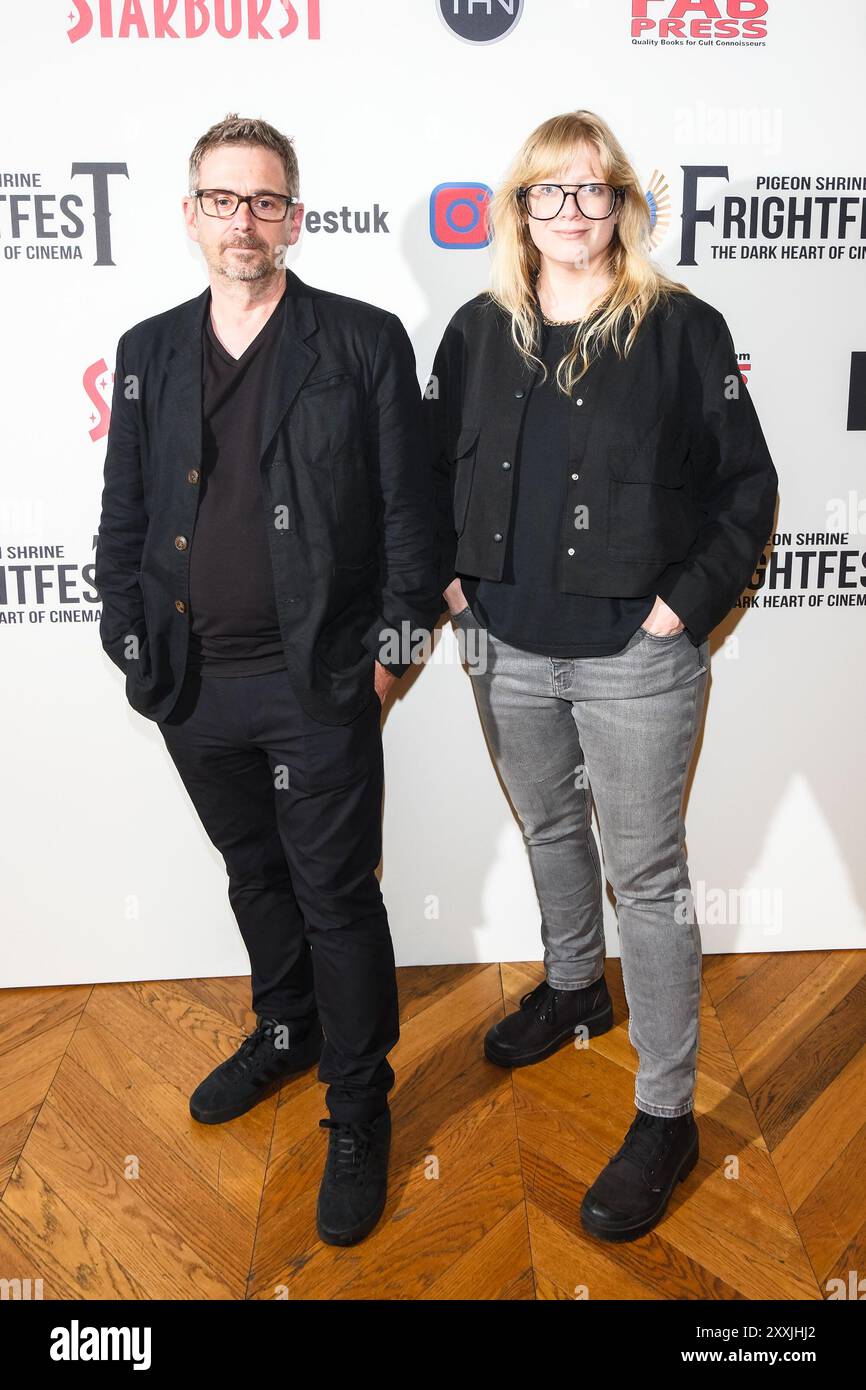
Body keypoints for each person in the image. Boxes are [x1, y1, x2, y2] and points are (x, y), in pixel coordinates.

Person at [426, 110, 778, 1243]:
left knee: (651, 878)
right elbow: (424, 472)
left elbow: (746, 485)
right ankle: (574, 985)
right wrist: (450, 583)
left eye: (591, 191)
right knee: (544, 832)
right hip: (504, 648)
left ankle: (664, 1112)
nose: (569, 212)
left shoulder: (681, 330)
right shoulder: (476, 333)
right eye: (547, 192)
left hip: (638, 655)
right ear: (518, 209)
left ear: (622, 203)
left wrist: (681, 609)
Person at [94, 113, 440, 1247]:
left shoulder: (359, 339)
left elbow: (408, 520)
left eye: (267, 201)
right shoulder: (147, 350)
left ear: (295, 215)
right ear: (189, 212)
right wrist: (129, 640)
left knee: (337, 895)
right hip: (194, 687)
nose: (246, 221)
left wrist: (386, 669)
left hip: (319, 685)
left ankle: (357, 1106)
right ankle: (283, 1031)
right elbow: (125, 516)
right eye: (223, 199)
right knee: (254, 874)